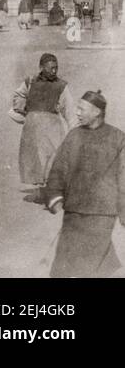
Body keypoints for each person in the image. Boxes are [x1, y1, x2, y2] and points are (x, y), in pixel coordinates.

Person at [43, 90, 125, 278]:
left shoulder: (118, 138)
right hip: (74, 209)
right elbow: (58, 168)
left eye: (82, 109)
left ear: (97, 112)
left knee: (91, 264)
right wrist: (54, 196)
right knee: (63, 262)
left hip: (102, 212)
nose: (77, 113)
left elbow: (124, 177)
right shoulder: (74, 136)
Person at [14, 53, 72, 187]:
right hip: (32, 129)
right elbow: (19, 95)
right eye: (50, 68)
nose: (54, 71)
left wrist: (73, 130)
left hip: (52, 128)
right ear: (41, 67)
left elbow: (69, 109)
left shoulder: (61, 86)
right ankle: (42, 189)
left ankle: (51, 189)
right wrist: (22, 108)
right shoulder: (31, 81)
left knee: (52, 156)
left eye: (56, 68)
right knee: (35, 159)